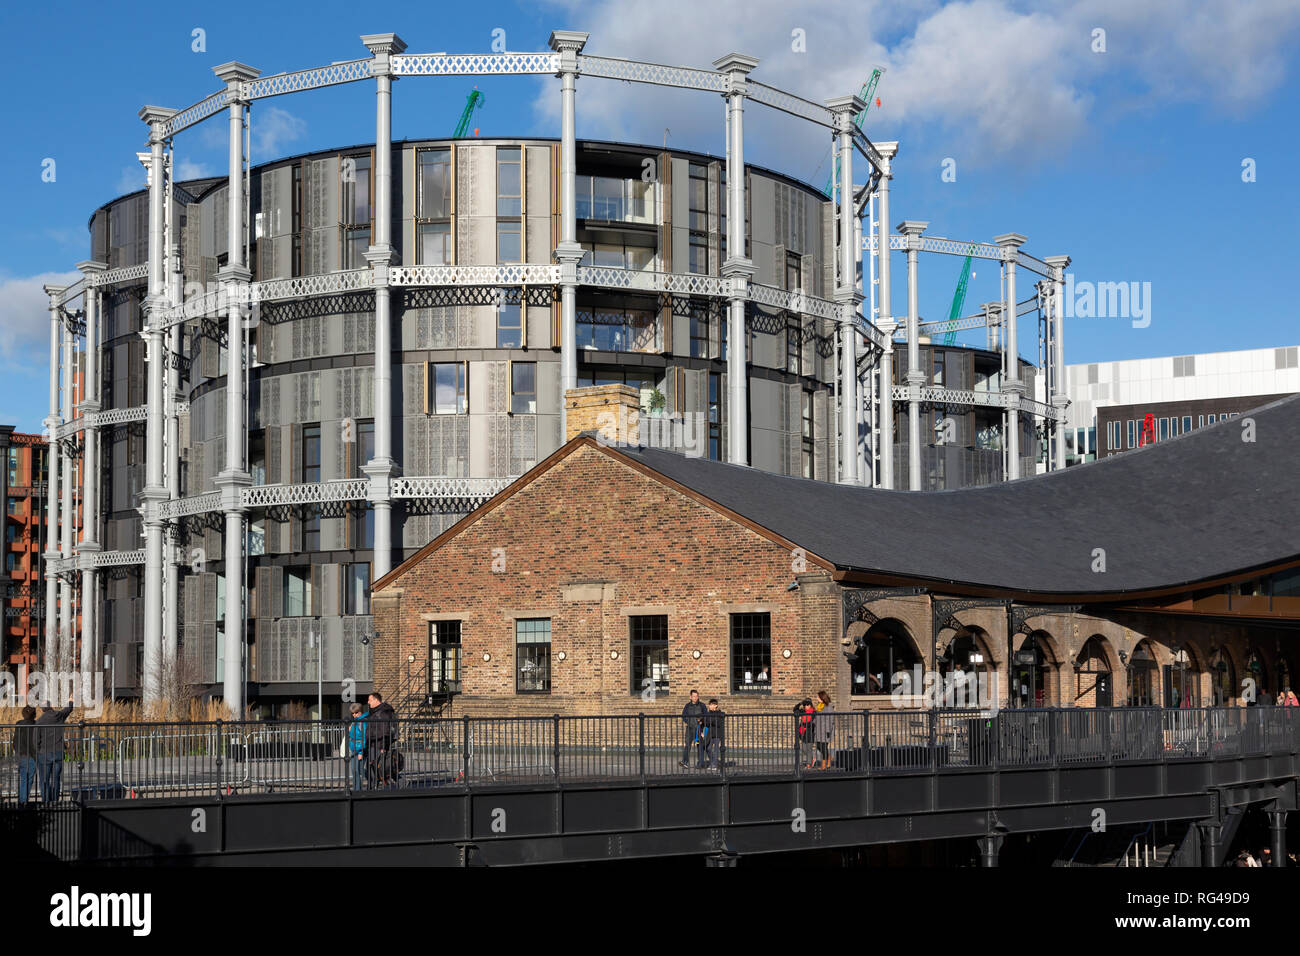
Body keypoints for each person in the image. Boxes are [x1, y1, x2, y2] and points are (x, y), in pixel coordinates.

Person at [36, 697, 75, 804]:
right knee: (56, 779)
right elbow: (68, 709)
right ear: (51, 706)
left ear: (41, 709)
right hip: (58, 751)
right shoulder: (59, 715)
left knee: (44, 780)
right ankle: (55, 801)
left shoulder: (39, 721)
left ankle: (46, 802)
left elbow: (36, 740)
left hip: (44, 753)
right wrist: (71, 700)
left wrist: (38, 750)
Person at [365, 692, 397, 788]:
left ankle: (372, 790)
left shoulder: (382, 713)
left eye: (370, 700)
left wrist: (383, 747)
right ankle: (373, 788)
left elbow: (385, 732)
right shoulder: (376, 712)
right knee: (376, 768)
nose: (368, 702)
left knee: (377, 769)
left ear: (376, 700)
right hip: (373, 744)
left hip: (378, 746)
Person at [12, 706, 38, 806]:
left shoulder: (18, 724)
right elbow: (34, 742)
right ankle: (24, 800)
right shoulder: (35, 725)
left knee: (23, 778)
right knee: (29, 779)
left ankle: (22, 800)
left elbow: (15, 741)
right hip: (31, 755)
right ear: (34, 715)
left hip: (21, 754)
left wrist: (17, 750)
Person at [680, 690, 707, 768]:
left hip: (699, 729)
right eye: (694, 696)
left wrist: (702, 721)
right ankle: (685, 762)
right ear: (690, 697)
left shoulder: (702, 705)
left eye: (697, 696)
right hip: (690, 729)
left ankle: (700, 763)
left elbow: (706, 715)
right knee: (687, 745)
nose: (695, 698)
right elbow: (683, 716)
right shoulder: (687, 706)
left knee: (699, 746)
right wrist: (688, 721)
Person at [347, 703, 369, 791]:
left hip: (360, 749)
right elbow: (354, 735)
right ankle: (357, 788)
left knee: (357, 770)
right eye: (352, 713)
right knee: (354, 770)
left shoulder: (362, 721)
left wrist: (361, 752)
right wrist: (349, 731)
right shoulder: (355, 721)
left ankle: (372, 779)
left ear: (360, 712)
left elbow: (365, 738)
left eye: (356, 713)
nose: (354, 715)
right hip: (354, 748)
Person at [699, 699, 725, 770]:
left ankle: (714, 765)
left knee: (716, 750)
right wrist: (702, 731)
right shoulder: (708, 714)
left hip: (717, 734)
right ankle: (714, 762)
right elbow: (705, 723)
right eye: (709, 704)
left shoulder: (719, 714)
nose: (709, 706)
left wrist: (709, 720)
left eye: (711, 705)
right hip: (710, 734)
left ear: (715, 705)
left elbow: (717, 723)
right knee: (708, 748)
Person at [813, 691, 834, 770]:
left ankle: (824, 765)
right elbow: (816, 717)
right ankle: (828, 758)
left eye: (818, 697)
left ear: (822, 698)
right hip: (818, 729)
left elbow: (830, 719)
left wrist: (828, 730)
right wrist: (813, 722)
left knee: (823, 746)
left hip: (825, 730)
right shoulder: (819, 706)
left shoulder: (828, 707)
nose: (817, 698)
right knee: (818, 745)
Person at [794, 697, 817, 768]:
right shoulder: (803, 711)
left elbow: (813, 722)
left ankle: (808, 764)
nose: (806, 706)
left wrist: (807, 725)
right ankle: (812, 759)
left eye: (807, 705)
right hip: (803, 732)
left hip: (810, 732)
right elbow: (795, 710)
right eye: (805, 705)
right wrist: (800, 703)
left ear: (810, 705)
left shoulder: (814, 712)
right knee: (804, 749)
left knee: (809, 749)